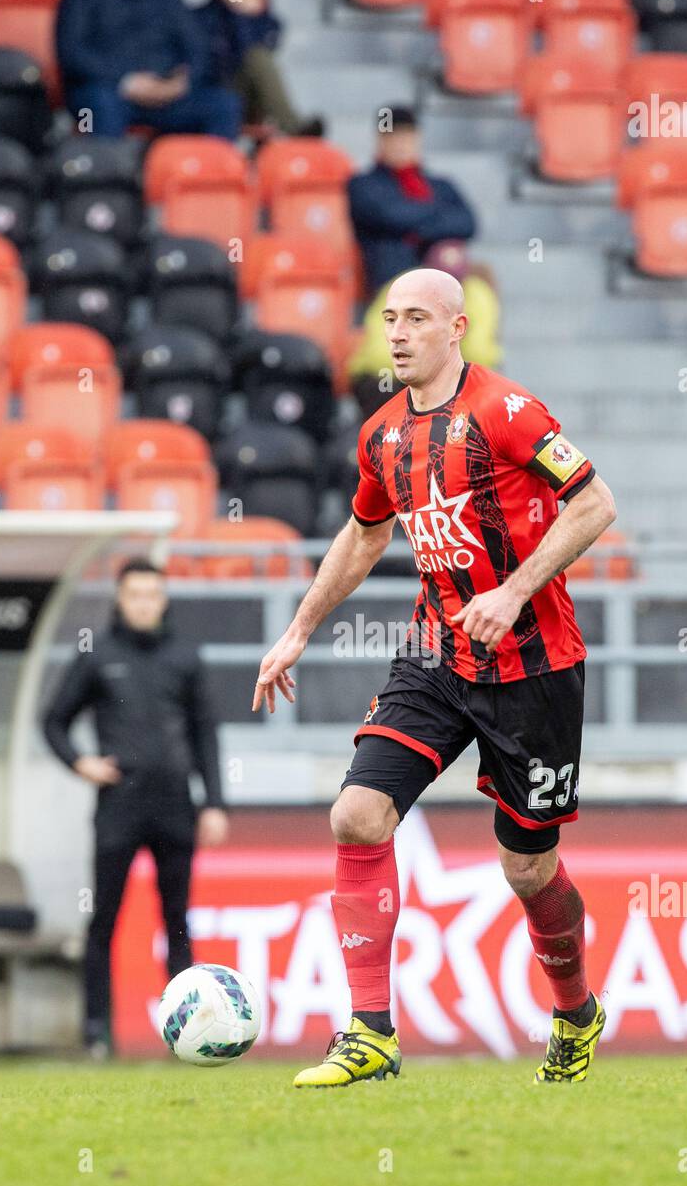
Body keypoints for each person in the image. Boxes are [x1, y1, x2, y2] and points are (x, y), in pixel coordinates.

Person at [253, 267, 617, 1089]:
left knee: (526, 869)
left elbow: (595, 504)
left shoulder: (509, 412)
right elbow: (362, 535)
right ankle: (371, 1033)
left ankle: (575, 1011)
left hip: (535, 666)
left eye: (417, 318)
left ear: (457, 329)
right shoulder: (382, 434)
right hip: (437, 655)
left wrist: (515, 588)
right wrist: (299, 629)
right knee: (356, 814)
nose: (400, 333)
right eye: (390, 319)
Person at [43, 559, 228, 1058]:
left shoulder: (186, 657)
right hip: (119, 806)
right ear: (120, 599)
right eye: (135, 594)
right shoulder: (97, 654)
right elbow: (53, 720)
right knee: (104, 919)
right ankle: (96, 1033)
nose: (144, 603)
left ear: (163, 599)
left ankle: (187, 1034)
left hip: (174, 807)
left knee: (178, 922)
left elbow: (205, 734)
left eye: (153, 594)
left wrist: (214, 802)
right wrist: (80, 763)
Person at [56, 0, 241, 141]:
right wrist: (126, 82)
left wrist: (181, 82)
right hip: (108, 92)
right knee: (99, 104)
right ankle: (108, 181)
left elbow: (197, 47)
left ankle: (208, 178)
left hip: (167, 94)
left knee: (224, 104)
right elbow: (72, 54)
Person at [348, 240, 502, 418]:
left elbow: (480, 354)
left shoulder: (477, 295)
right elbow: (379, 354)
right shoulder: (401, 289)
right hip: (390, 377)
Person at [348, 107, 476, 295]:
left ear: (417, 139)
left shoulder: (440, 185)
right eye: (393, 138)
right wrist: (437, 214)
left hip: (440, 275)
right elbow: (390, 216)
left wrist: (416, 230)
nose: (400, 145)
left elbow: (467, 223)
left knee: (478, 278)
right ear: (380, 141)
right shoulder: (364, 185)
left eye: (406, 137)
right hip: (392, 279)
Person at [183, 0, 323, 137]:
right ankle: (294, 128)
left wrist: (246, 12)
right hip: (214, 93)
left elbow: (263, 42)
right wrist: (235, 5)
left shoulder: (261, 19)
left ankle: (287, 132)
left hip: (246, 94)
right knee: (257, 60)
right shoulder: (200, 17)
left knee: (258, 60)